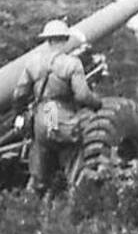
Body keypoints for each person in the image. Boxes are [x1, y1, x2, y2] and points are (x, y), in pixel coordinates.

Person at [12, 20, 101, 194]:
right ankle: (77, 202)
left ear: (48, 40)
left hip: (43, 117)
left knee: (39, 168)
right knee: (74, 157)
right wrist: (97, 103)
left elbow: (19, 94)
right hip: (61, 117)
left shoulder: (33, 63)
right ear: (65, 39)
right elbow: (82, 95)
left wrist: (20, 113)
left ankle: (29, 207)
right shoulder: (72, 63)